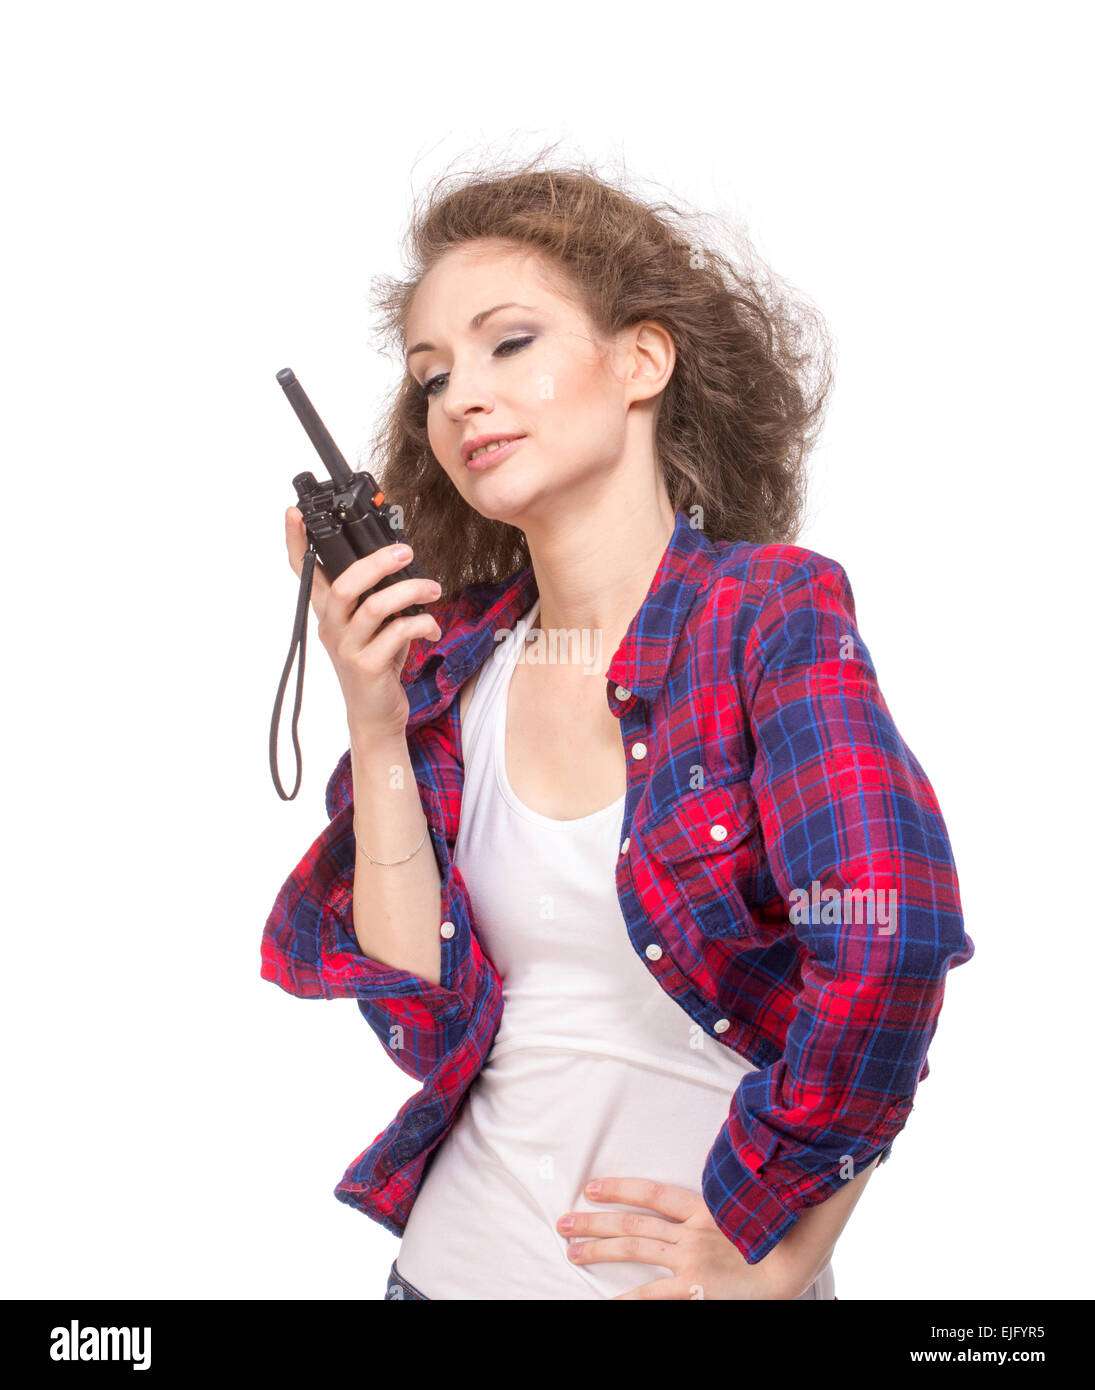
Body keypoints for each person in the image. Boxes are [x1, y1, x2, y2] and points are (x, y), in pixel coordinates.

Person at [262, 151, 974, 1300]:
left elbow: (890, 942)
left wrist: (781, 1257)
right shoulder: (465, 666)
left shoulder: (766, 618)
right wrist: (377, 719)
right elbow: (415, 1005)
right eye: (432, 377)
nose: (463, 398)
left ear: (641, 359)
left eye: (510, 343)